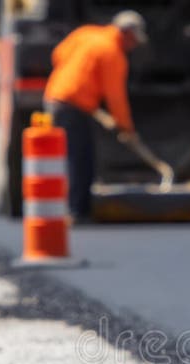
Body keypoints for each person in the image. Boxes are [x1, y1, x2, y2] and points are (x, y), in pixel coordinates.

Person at [43, 11, 147, 221]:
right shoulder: (112, 54)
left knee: (79, 156)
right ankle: (76, 210)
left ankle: (78, 207)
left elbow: (58, 55)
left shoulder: (86, 33)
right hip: (72, 106)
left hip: (55, 97)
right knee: (80, 159)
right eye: (133, 40)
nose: (133, 46)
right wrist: (127, 128)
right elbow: (115, 97)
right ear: (126, 33)